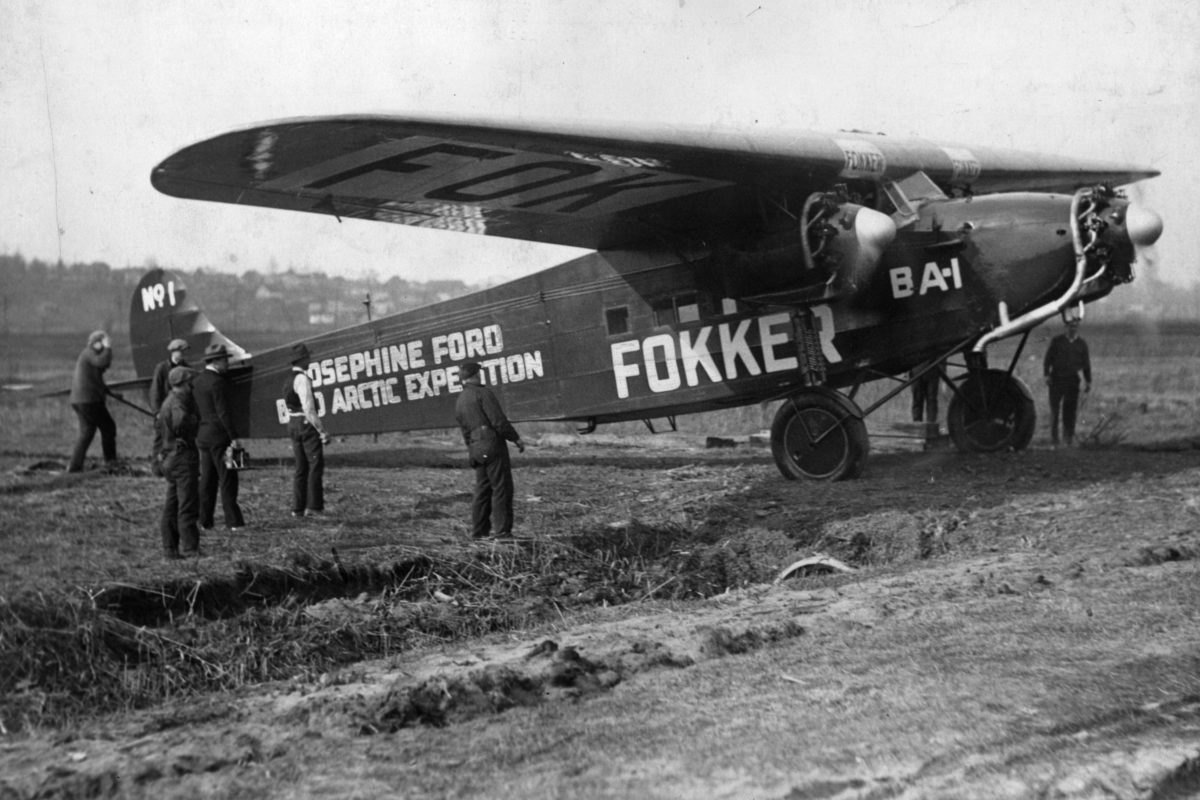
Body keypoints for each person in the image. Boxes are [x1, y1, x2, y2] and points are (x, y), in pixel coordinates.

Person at [453, 361, 525, 539]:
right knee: (502, 488)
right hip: (492, 444)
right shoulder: (483, 393)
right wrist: (515, 438)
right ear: (475, 375)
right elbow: (498, 421)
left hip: (475, 447)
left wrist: (472, 450)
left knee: (482, 490)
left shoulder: (460, 400)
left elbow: (465, 430)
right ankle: (502, 532)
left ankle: (479, 532)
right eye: (478, 373)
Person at [192, 343, 246, 530]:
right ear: (216, 361)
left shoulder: (197, 381)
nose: (227, 364)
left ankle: (205, 520)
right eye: (225, 360)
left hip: (203, 436)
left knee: (207, 480)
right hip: (219, 437)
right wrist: (234, 436)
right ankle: (234, 522)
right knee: (228, 479)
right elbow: (223, 413)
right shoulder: (218, 383)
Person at [282, 343, 330, 518]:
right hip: (305, 423)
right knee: (315, 465)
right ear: (302, 359)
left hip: (293, 422)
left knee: (300, 467)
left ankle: (298, 508)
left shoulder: (288, 379)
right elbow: (309, 408)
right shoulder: (302, 379)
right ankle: (314, 507)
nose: (310, 360)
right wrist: (321, 430)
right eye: (308, 357)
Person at [157, 366, 200, 558]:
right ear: (183, 384)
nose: (192, 386)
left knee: (172, 504)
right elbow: (181, 422)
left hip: (170, 457)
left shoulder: (169, 400)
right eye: (190, 382)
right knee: (187, 503)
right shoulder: (177, 402)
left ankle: (170, 548)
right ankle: (190, 548)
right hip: (182, 457)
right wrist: (193, 422)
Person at [68, 330, 120, 472]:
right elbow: (102, 361)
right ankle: (111, 462)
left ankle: (75, 467)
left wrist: (109, 392)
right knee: (108, 427)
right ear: (96, 343)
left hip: (82, 400)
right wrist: (108, 347)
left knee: (87, 432)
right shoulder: (89, 353)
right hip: (89, 401)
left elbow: (96, 379)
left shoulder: (89, 355)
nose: (104, 346)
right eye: (102, 343)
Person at [1043, 319, 1092, 446]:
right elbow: (1047, 359)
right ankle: (1054, 440)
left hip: (1072, 381)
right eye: (1070, 326)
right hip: (1056, 379)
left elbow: (1086, 365)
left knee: (1070, 411)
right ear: (1065, 327)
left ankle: (1068, 439)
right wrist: (1046, 375)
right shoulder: (1057, 341)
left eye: (1075, 326)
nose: (1072, 328)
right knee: (1055, 411)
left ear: (1078, 327)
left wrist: (1088, 381)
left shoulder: (1081, 344)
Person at [149, 338, 191, 476]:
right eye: (180, 352)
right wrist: (157, 412)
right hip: (164, 410)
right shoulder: (162, 368)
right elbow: (155, 391)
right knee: (160, 440)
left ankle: (172, 466)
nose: (182, 355)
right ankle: (156, 468)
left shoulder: (186, 368)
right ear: (173, 352)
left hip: (178, 410)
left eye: (184, 352)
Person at [909, 361, 940, 435]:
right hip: (916, 372)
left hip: (932, 371)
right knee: (917, 400)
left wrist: (942, 370)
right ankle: (917, 429)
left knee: (932, 400)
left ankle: (931, 429)